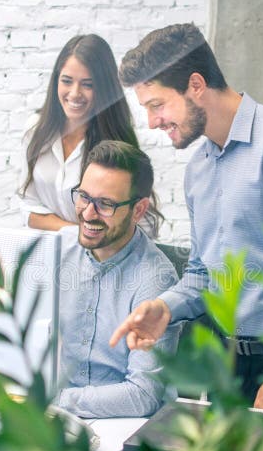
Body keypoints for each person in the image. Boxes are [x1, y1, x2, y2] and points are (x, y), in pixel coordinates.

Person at [111, 23, 263, 409]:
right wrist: (165, 308)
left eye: (156, 105)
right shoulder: (199, 167)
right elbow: (202, 274)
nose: (152, 122)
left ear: (196, 85)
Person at [55, 140, 179, 419]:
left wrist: (56, 399)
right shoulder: (56, 252)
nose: (88, 213)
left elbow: (143, 394)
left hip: (123, 425)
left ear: (138, 210)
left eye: (105, 205)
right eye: (84, 196)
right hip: (55, 421)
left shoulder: (155, 279)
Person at [17, 33, 163, 237]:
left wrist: (86, 237)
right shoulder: (35, 131)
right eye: (67, 81)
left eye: (87, 84)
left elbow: (139, 222)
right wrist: (77, 233)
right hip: (52, 254)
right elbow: (28, 209)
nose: (75, 93)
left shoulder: (116, 146)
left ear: (103, 89)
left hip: (102, 258)